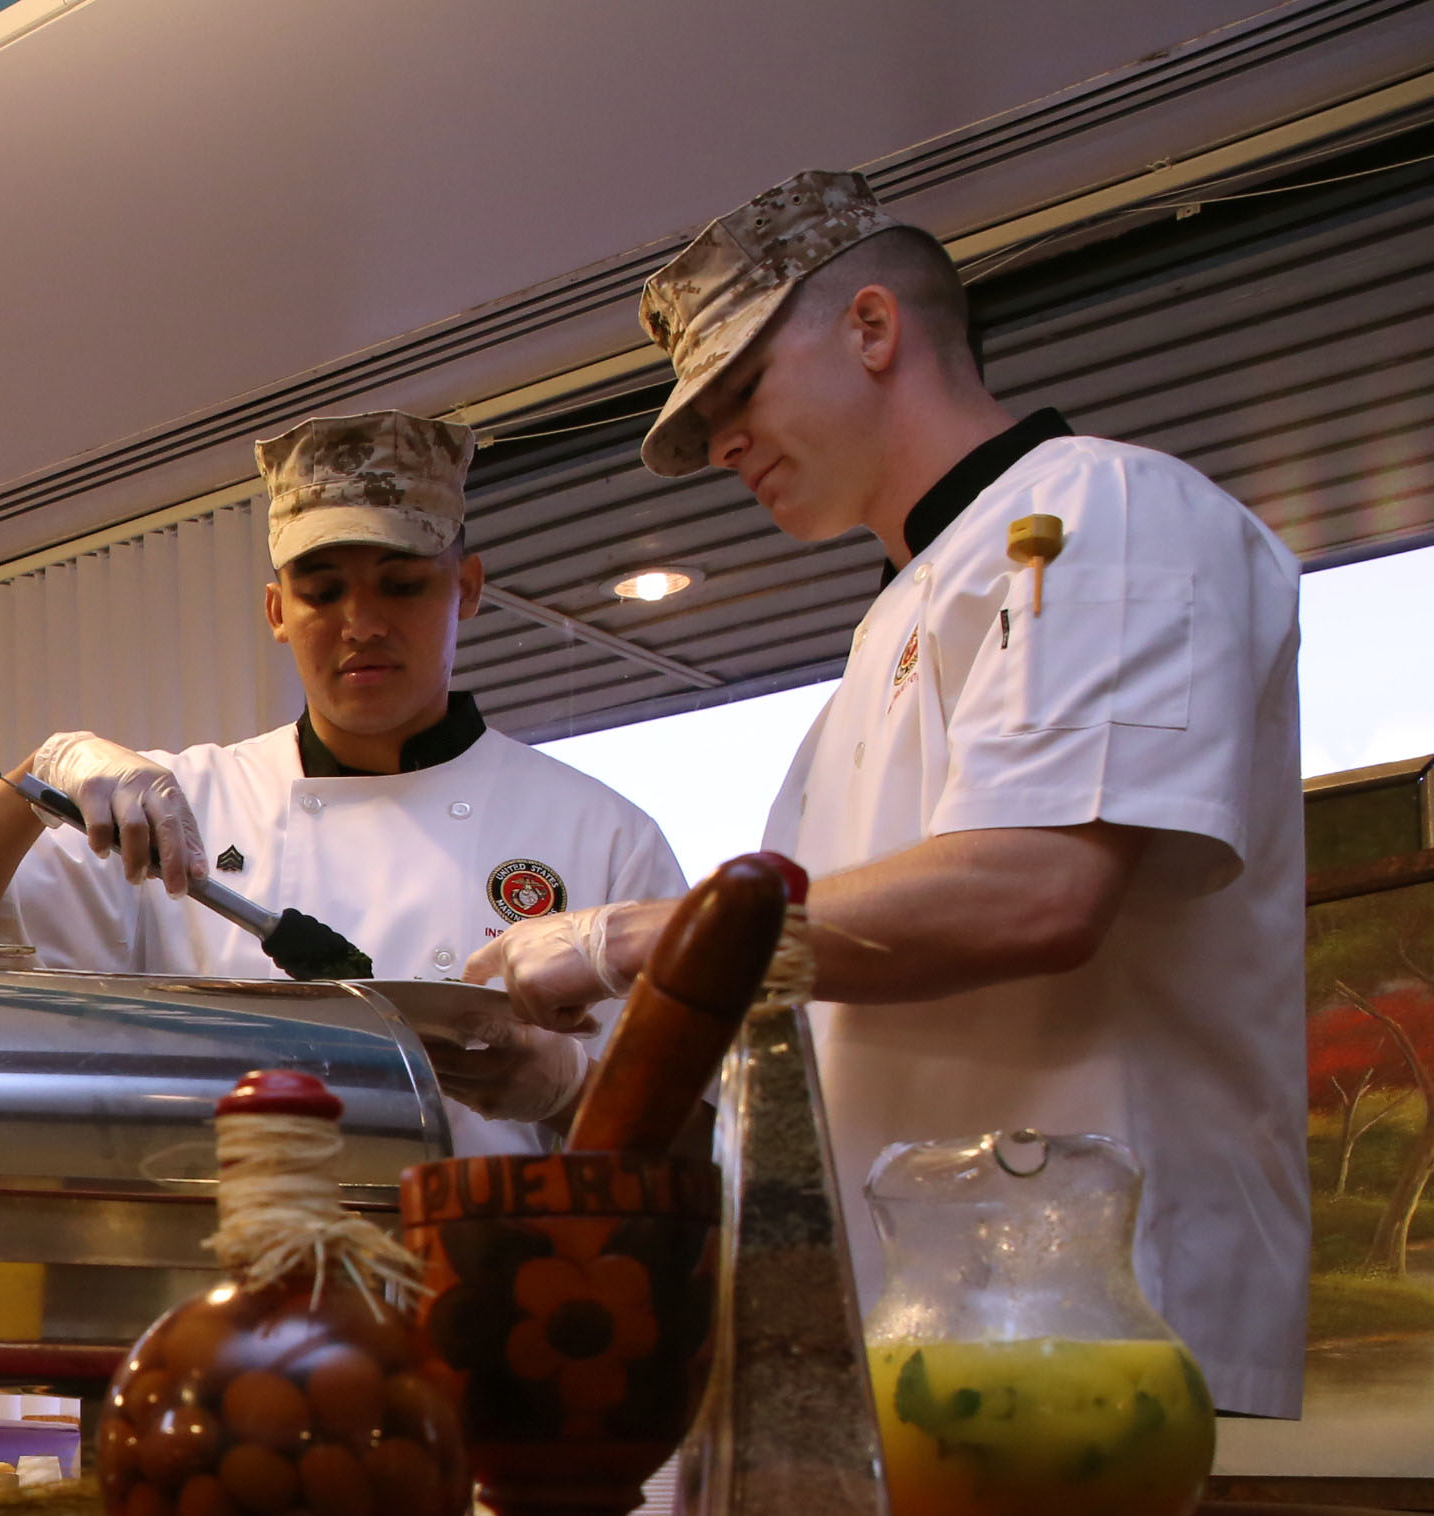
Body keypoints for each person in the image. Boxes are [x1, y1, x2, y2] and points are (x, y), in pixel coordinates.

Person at [471, 171, 1309, 1416]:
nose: (724, 446)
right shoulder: (881, 645)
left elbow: (1036, 891)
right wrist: (561, 1084)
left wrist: (617, 941)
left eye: (740, 390)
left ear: (873, 328)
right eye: (703, 426)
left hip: (1096, 1333)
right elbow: (822, 1032)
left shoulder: (1094, 510)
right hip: (921, 1328)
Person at [0, 410, 686, 1151]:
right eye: (322, 591)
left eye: (402, 584)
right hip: (224, 1266)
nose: (361, 624)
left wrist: (568, 1093)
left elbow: (696, 1138)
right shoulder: (181, 807)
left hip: (493, 1278)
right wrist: (41, 769)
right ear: (275, 612)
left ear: (465, 589)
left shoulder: (599, 831)